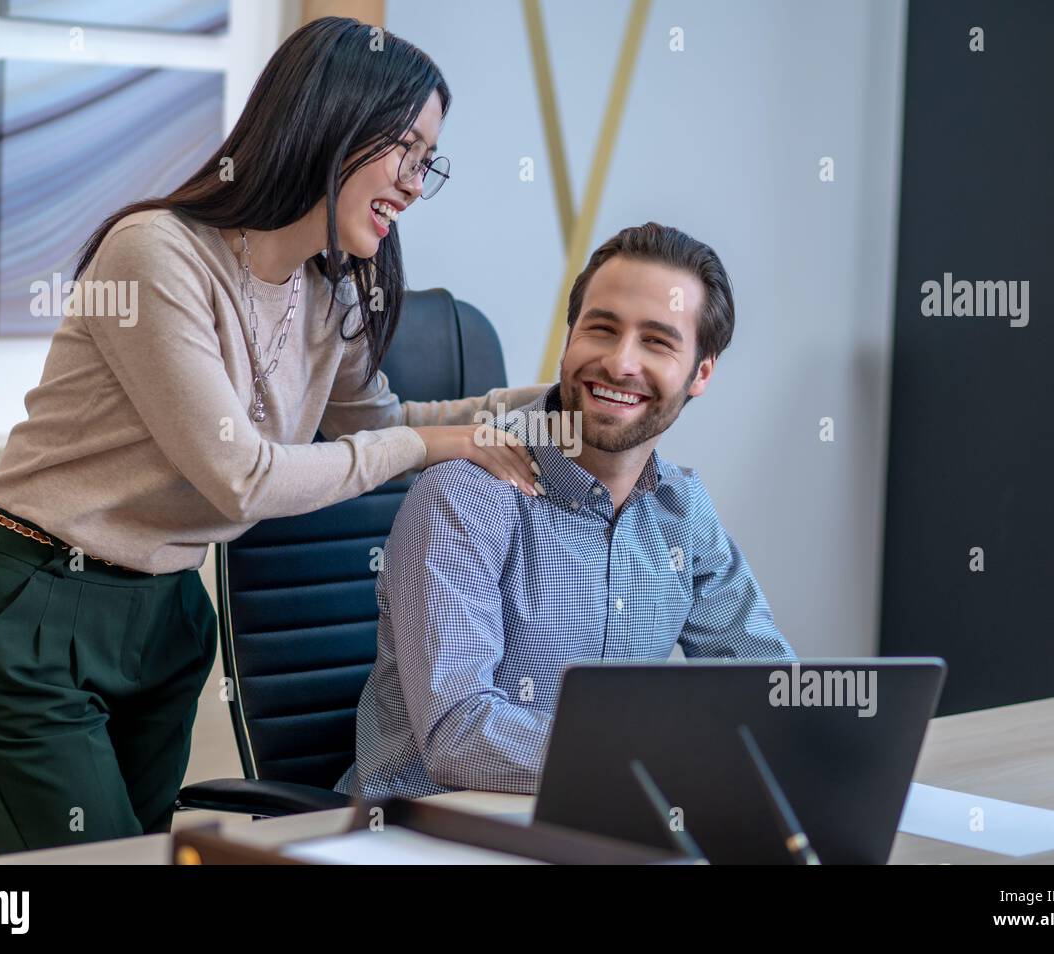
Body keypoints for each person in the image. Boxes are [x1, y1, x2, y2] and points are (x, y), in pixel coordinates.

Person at [0, 16, 545, 854]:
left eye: (427, 160)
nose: (414, 183)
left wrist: (560, 400)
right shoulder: (156, 256)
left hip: (170, 615)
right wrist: (440, 446)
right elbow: (244, 479)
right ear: (329, 118)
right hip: (39, 604)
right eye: (405, 148)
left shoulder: (329, 294)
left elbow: (389, 425)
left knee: (142, 857)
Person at [337, 222, 796, 800]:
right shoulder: (463, 496)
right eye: (601, 329)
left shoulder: (680, 510)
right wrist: (655, 761)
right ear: (569, 336)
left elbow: (769, 686)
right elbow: (459, 738)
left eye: (657, 341)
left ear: (700, 373)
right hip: (431, 836)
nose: (620, 362)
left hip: (606, 823)